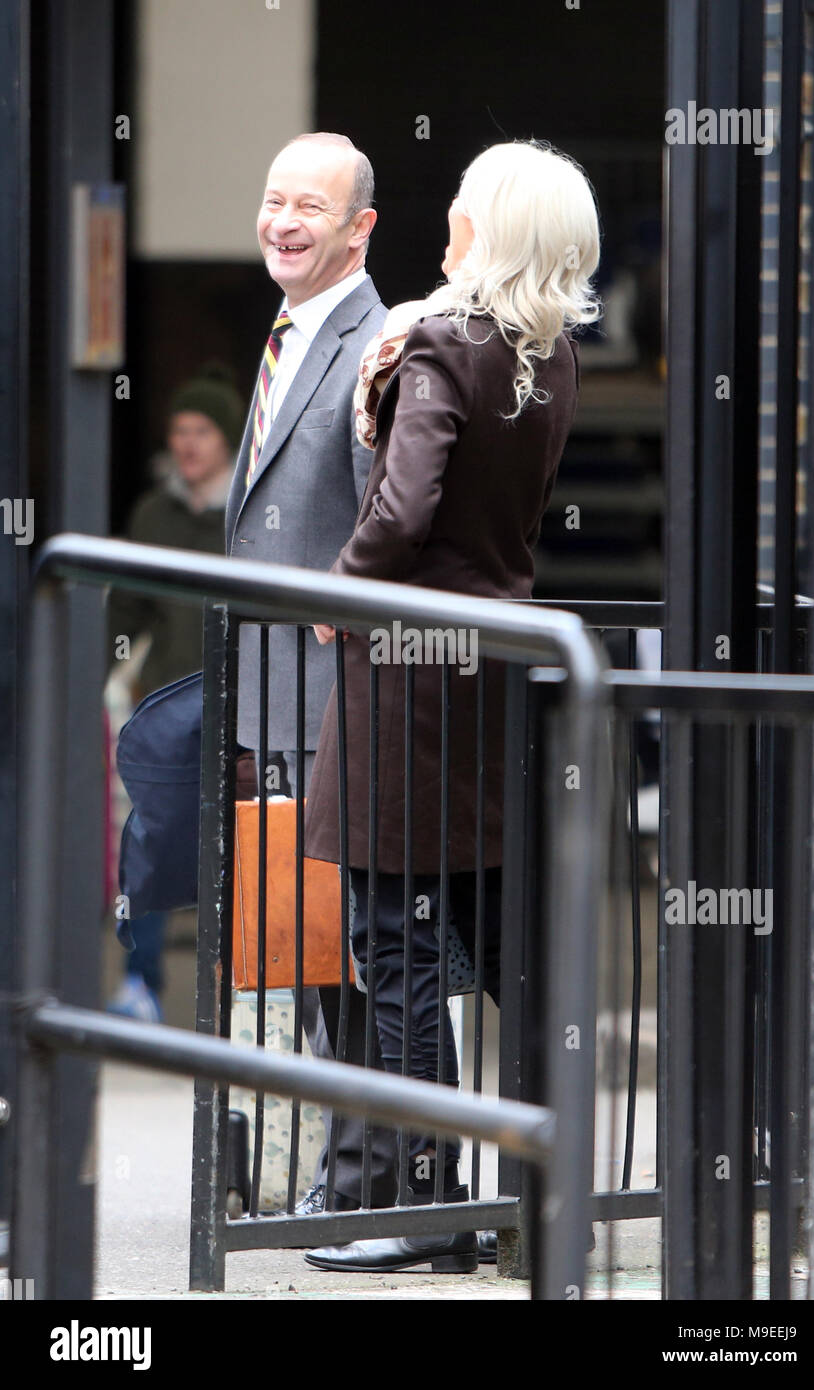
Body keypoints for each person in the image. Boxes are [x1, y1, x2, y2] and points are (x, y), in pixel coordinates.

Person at [301, 140, 601, 1273]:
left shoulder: (439, 343)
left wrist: (338, 584)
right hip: (492, 674)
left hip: (406, 684)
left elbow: (407, 500)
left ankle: (432, 1207)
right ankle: (519, 1196)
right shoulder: (547, 353)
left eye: (465, 207)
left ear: (491, 228)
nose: (448, 219)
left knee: (395, 950)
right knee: (488, 943)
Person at [224, 132, 398, 1213]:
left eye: (310, 208)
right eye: (273, 198)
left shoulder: (374, 343)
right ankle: (356, 1175)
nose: (283, 221)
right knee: (321, 952)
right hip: (275, 694)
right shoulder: (295, 329)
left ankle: (376, 1180)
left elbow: (387, 517)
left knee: (363, 954)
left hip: (334, 701)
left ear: (359, 229)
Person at [107, 366, 244, 1021]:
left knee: (240, 845)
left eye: (202, 431)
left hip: (240, 704)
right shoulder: (152, 514)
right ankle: (141, 985)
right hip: (164, 704)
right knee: (156, 841)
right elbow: (125, 608)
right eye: (178, 431)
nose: (188, 443)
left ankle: (237, 986)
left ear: (227, 440)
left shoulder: (250, 510)